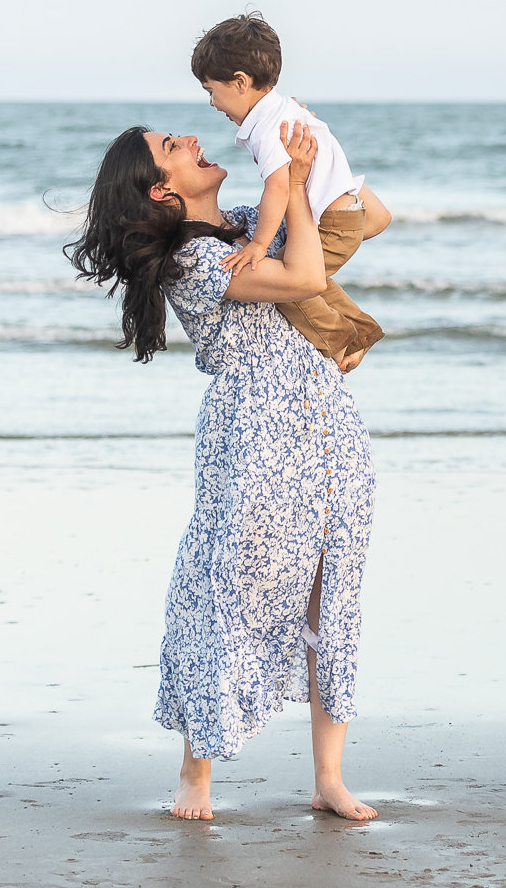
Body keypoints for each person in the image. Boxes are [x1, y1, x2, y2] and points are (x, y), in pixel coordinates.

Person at [66, 118, 379, 822]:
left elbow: (372, 217)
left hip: (329, 431)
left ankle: (329, 776)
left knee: (333, 601)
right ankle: (195, 776)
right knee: (224, 594)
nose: (187, 137)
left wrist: (312, 146)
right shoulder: (195, 262)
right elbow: (305, 276)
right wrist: (291, 181)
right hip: (255, 440)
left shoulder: (245, 227)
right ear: (162, 190)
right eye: (169, 146)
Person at [190, 12, 388, 372]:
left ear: (239, 82)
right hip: (343, 212)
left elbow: (279, 185)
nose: (212, 104)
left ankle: (342, 342)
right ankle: (361, 328)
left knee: (291, 283)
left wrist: (259, 245)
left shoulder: (269, 130)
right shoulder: (285, 110)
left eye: (211, 91)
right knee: (312, 279)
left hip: (332, 220)